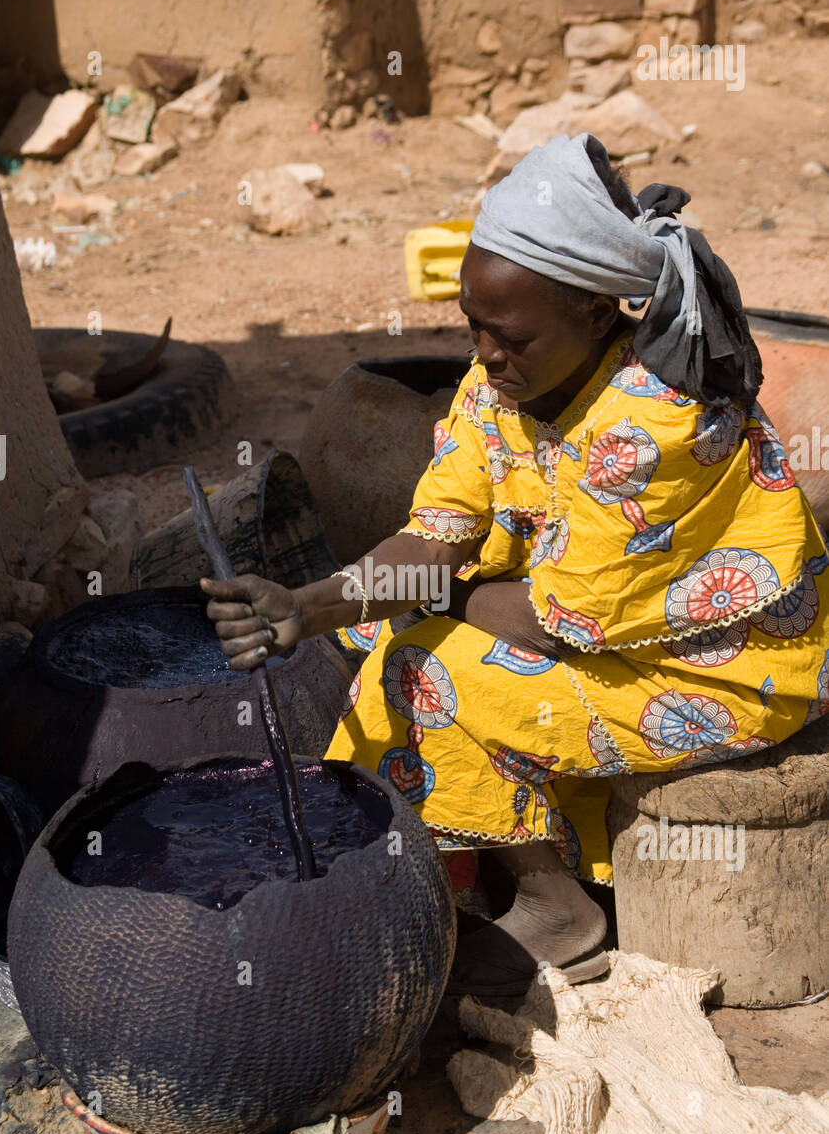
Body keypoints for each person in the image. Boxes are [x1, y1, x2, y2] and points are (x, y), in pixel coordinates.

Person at [203, 132, 829, 1002]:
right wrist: (304, 608)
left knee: (432, 668)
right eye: (473, 328)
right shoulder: (501, 387)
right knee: (393, 636)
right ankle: (465, 862)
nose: (486, 353)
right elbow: (436, 534)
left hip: (733, 666)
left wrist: (437, 594)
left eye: (507, 335)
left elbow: (550, 618)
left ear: (598, 313)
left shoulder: (647, 429)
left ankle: (558, 912)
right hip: (597, 629)